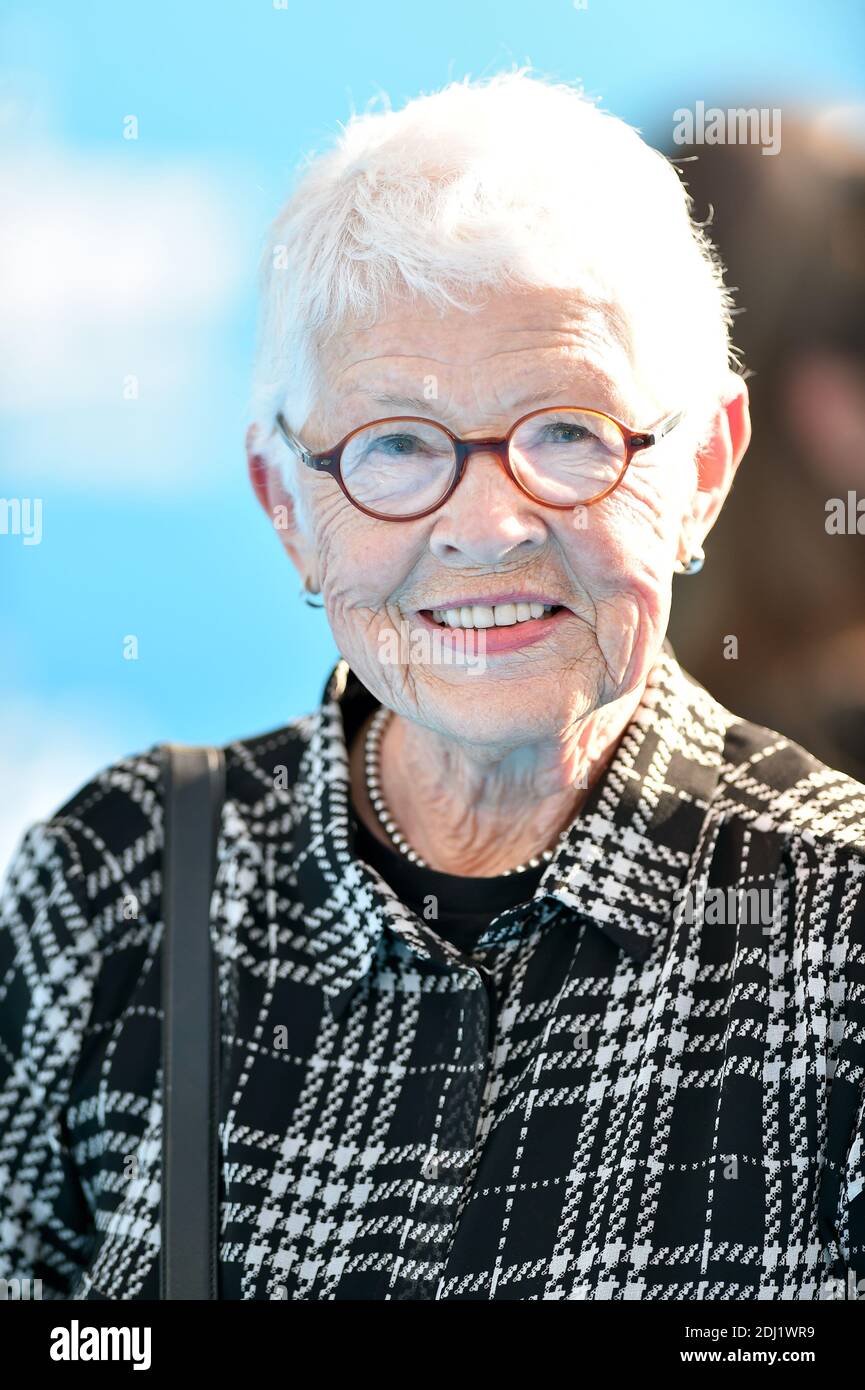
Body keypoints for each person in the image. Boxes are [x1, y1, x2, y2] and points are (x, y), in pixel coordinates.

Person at [1, 72, 863, 1301]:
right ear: (286, 507)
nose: (490, 524)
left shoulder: (841, 929)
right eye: (397, 444)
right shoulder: (113, 883)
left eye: (569, 432)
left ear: (705, 467)